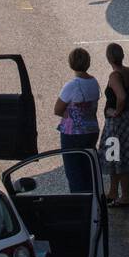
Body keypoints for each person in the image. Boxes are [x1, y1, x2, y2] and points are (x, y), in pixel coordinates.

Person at [98, 43, 129, 208]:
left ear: (109, 58)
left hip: (116, 124)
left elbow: (119, 96)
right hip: (127, 121)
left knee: (114, 157)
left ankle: (114, 192)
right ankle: (124, 195)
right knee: (123, 159)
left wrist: (118, 110)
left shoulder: (115, 76)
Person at [54, 48, 101, 193]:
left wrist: (69, 113)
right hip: (91, 130)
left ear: (71, 63)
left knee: (74, 172)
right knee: (88, 168)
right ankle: (93, 200)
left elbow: (57, 110)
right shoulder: (94, 82)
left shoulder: (71, 85)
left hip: (72, 133)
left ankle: (81, 203)